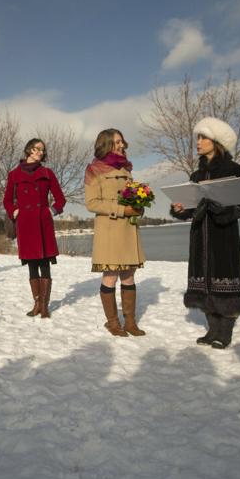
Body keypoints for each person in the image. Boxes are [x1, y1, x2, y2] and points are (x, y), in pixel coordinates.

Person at [170, 118, 240, 349]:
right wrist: (181, 209)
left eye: (203, 137)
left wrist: (224, 210)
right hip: (200, 237)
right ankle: (212, 329)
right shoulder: (196, 176)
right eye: (198, 137)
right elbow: (192, 208)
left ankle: (224, 332)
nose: (198, 142)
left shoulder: (235, 170)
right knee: (203, 285)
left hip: (223, 236)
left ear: (217, 141)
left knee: (224, 284)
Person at [85, 129, 146, 337]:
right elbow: (91, 203)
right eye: (117, 142)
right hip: (109, 229)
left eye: (122, 141)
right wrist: (122, 209)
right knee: (110, 275)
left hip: (128, 229)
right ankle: (112, 322)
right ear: (106, 144)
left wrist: (139, 206)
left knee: (129, 275)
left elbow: (132, 196)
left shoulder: (127, 169)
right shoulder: (94, 169)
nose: (122, 145)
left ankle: (130, 322)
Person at [3, 138, 66, 318]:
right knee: (31, 264)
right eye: (38, 149)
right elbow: (7, 200)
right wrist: (14, 212)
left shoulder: (47, 173)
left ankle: (44, 306)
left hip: (43, 222)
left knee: (45, 263)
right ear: (29, 150)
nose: (41, 153)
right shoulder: (14, 175)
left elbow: (60, 198)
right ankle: (37, 303)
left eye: (43, 150)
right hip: (25, 223)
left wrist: (51, 211)